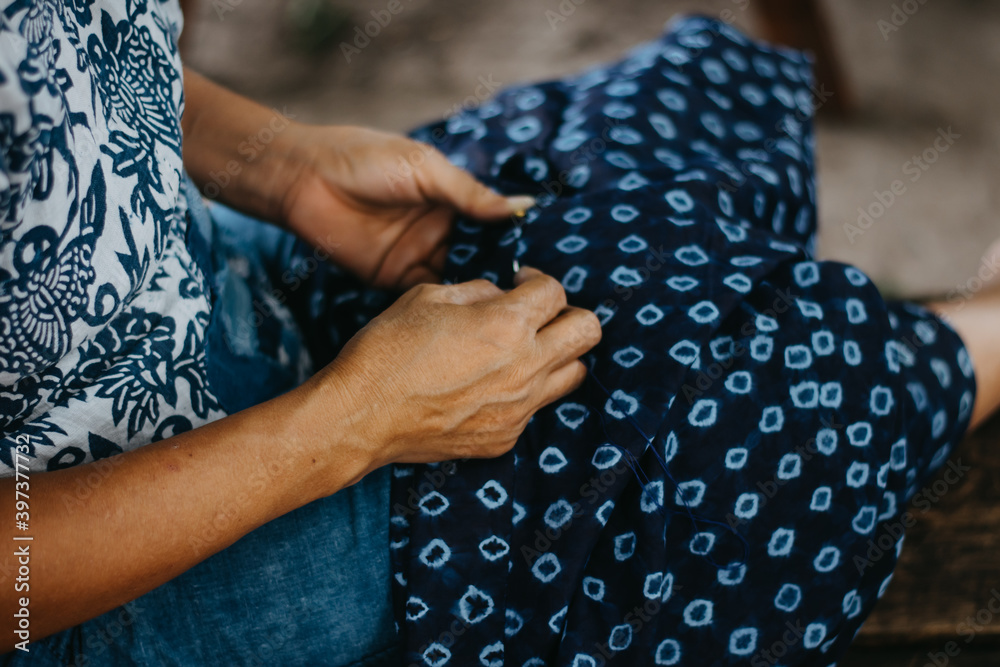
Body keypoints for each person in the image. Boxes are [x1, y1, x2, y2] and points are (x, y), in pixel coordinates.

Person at [0, 4, 997, 667]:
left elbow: (66, 54)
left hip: (199, 271)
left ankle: (811, 314)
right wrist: (351, 425)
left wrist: (281, 166)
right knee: (765, 432)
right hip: (144, 551)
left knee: (636, 143)